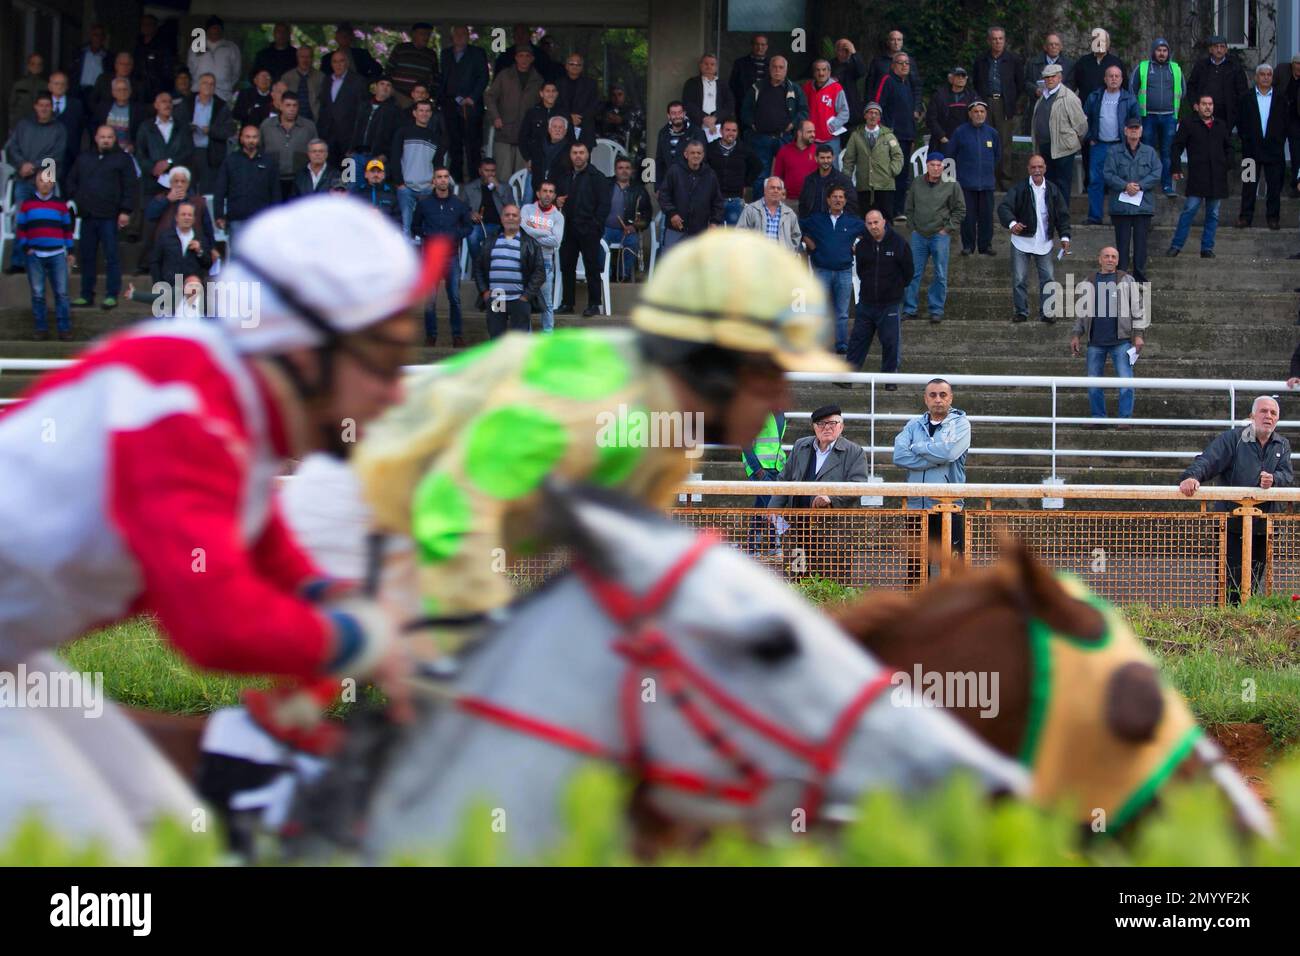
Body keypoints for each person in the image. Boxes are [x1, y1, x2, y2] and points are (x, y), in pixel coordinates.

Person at [0, 196, 428, 855]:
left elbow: (256, 537)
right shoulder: (185, 408)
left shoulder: (230, 384)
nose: (397, 390)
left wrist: (331, 599)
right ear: (304, 353)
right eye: (385, 354)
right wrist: (351, 641)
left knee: (170, 836)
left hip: (13, 645)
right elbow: (213, 625)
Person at [352, 228, 844, 647]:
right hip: (360, 517)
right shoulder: (594, 404)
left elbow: (628, 574)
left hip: (421, 544)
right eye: (770, 376)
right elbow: (449, 516)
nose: (782, 401)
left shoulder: (672, 436)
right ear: (715, 368)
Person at [1179, 396, 1292, 603]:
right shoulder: (1233, 439)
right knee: (1229, 582)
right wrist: (1191, 476)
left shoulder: (1282, 444)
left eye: (1273, 413)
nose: (1268, 416)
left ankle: (1245, 622)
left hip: (1263, 525)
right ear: (1252, 416)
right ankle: (1224, 622)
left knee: (1254, 581)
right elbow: (1208, 460)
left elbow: (1287, 475)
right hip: (1231, 524)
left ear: (1277, 419)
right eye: (1264, 411)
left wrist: (1274, 479)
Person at [893, 379, 970, 569]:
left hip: (948, 505)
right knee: (916, 569)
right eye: (933, 395)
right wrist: (936, 457)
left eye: (943, 395)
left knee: (953, 568)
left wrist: (917, 447)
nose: (938, 399)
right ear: (925, 399)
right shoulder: (913, 425)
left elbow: (949, 453)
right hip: (916, 506)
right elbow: (899, 456)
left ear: (950, 398)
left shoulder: (961, 424)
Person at [1069, 246, 1146, 425]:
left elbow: (1138, 310)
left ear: (1117, 261)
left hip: (1121, 341)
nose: (1110, 259)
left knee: (1126, 382)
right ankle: (1098, 418)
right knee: (1093, 383)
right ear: (1100, 259)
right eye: (1106, 256)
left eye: (1113, 257)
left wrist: (1139, 334)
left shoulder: (1127, 280)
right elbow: (1081, 313)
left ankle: (1124, 419)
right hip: (1095, 341)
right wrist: (1076, 334)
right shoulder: (1088, 282)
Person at [66, 124, 136, 310]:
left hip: (110, 217)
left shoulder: (123, 159)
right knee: (87, 257)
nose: (106, 140)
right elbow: (71, 180)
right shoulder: (84, 158)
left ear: (115, 139)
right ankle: (86, 295)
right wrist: (77, 199)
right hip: (88, 216)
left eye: (110, 137)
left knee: (111, 257)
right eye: (102, 136)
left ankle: (112, 295)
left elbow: (131, 187)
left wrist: (125, 211)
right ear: (96, 138)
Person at [999, 154, 1072, 324]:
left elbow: (1063, 215)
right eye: (1033, 167)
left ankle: (1047, 312)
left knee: (1048, 279)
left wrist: (1065, 236)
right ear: (1028, 169)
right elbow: (1004, 207)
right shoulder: (1019, 188)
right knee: (1019, 279)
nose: (1037, 170)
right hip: (1021, 242)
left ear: (1045, 168)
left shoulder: (1053, 190)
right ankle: (1021, 312)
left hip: (1044, 242)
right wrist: (1012, 224)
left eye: (1040, 167)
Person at [4, 92, 68, 274]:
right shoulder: (23, 125)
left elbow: (58, 154)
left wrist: (34, 165)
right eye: (41, 105)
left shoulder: (59, 129)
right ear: (35, 106)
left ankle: (47, 262)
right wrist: (21, 164)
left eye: (47, 105)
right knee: (21, 220)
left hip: (47, 181)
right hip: (23, 180)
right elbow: (12, 148)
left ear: (52, 107)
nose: (44, 108)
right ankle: (18, 261)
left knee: (48, 221)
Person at [847, 208, 912, 384]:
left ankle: (890, 380)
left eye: (876, 222)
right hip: (866, 303)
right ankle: (848, 377)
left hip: (890, 304)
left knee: (891, 343)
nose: (873, 226)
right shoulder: (861, 246)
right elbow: (861, 271)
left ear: (884, 222)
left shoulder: (899, 243)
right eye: (869, 223)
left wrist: (893, 289)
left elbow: (908, 272)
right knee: (857, 341)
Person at [411, 168, 473, 347]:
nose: (443, 180)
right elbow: (415, 226)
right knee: (429, 300)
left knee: (454, 297)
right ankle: (431, 336)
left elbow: (468, 228)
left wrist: (454, 234)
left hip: (451, 256)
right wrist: (427, 233)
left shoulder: (459, 204)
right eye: (439, 177)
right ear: (433, 181)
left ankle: (457, 335)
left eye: (446, 177)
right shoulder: (424, 204)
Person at [800, 187, 865, 354]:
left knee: (842, 313)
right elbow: (797, 227)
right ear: (828, 200)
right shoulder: (816, 219)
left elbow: (870, 233)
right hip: (822, 271)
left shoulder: (853, 221)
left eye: (841, 197)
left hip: (844, 272)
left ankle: (841, 344)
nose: (838, 200)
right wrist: (809, 242)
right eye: (834, 197)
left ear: (845, 200)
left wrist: (857, 244)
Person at [769, 404, 868, 512]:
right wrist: (772, 510)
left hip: (832, 525)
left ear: (841, 427)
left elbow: (858, 486)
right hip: (797, 522)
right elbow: (784, 480)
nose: (826, 427)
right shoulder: (800, 446)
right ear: (814, 427)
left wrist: (831, 499)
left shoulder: (855, 452)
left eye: (832, 423)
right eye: (820, 423)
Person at [902, 153, 965, 324]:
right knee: (912, 273)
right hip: (919, 235)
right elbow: (909, 207)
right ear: (926, 166)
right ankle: (909, 309)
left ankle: (936, 309)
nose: (936, 168)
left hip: (939, 235)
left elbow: (960, 210)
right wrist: (913, 228)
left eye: (939, 165)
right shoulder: (917, 182)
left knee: (940, 274)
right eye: (932, 165)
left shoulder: (952, 184)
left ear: (943, 166)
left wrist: (947, 229)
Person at [1168, 95, 1233, 258]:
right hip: (1198, 176)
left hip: (1217, 178)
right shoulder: (1189, 123)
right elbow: (1176, 146)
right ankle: (1176, 245)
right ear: (1197, 106)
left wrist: (1226, 164)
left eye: (1210, 104)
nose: (1207, 107)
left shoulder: (1220, 125)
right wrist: (1175, 167)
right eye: (1204, 104)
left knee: (1213, 214)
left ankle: (1207, 248)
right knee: (1189, 211)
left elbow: (1229, 147)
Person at [15, 169, 74, 340]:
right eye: (42, 180)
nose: (45, 183)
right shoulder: (27, 204)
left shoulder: (60, 205)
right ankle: (41, 329)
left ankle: (64, 329)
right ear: (36, 182)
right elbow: (21, 229)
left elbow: (67, 230)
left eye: (49, 180)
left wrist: (70, 251)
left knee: (62, 293)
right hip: (35, 255)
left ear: (53, 183)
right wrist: (26, 248)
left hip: (56, 254)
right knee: (38, 294)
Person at [473, 203, 546, 338]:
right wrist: (484, 291)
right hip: (497, 299)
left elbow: (540, 272)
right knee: (497, 338)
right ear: (501, 219)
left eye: (514, 215)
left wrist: (526, 296)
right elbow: (478, 268)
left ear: (520, 219)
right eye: (507, 215)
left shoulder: (530, 243)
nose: (511, 218)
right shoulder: (490, 241)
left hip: (519, 299)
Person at [739, 56, 808, 198]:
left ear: (786, 70)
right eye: (774, 67)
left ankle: (784, 208)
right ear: (769, 69)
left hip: (785, 139)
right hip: (761, 139)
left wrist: (793, 124)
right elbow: (744, 110)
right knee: (760, 176)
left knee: (788, 173)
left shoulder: (794, 89)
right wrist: (752, 123)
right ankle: (760, 209)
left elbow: (804, 111)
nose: (777, 70)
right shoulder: (757, 88)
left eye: (781, 67)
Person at [555, 141, 610, 316]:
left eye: (581, 152)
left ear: (587, 154)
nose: (578, 156)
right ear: (570, 156)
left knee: (591, 268)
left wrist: (596, 225)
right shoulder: (565, 176)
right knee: (567, 266)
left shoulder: (597, 177)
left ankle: (594, 304)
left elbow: (604, 205)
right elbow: (558, 199)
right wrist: (558, 202)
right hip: (568, 229)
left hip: (589, 229)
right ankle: (567, 304)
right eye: (575, 152)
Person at [1104, 118, 1161, 281]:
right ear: (1125, 131)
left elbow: (1157, 173)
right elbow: (1108, 174)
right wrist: (1124, 186)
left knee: (1141, 244)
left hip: (1142, 206)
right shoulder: (1113, 151)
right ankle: (1121, 276)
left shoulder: (1150, 152)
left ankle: (1140, 277)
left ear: (1141, 131)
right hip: (1121, 207)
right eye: (1131, 128)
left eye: (1136, 128)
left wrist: (1140, 185)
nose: (1134, 131)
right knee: (1121, 244)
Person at [1070, 27, 1127, 189]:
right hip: (1088, 114)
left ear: (1108, 44)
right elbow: (1073, 86)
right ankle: (1089, 186)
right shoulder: (1083, 62)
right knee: (1089, 150)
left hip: (1112, 115)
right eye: (1096, 40)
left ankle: (1112, 187)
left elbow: (1126, 89)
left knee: (1113, 156)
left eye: (1103, 40)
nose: (1099, 43)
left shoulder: (1116, 63)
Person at [1083, 65, 1140, 223]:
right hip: (1098, 146)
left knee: (1120, 181)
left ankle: (1119, 216)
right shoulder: (1094, 97)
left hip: (1120, 146)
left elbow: (1136, 122)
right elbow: (1083, 119)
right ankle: (1095, 217)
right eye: (1111, 76)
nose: (1114, 79)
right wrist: (1090, 137)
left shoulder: (1129, 99)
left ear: (1122, 80)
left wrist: (1130, 142)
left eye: (1117, 76)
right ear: (1105, 79)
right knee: (1095, 181)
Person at [971, 26, 1024, 190]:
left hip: (1004, 104)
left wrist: (1015, 105)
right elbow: (975, 82)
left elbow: (1020, 84)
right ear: (989, 41)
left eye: (1000, 38)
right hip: (985, 103)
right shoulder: (981, 60)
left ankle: (1006, 181)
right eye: (994, 39)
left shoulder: (1013, 60)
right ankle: (989, 179)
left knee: (1004, 144)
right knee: (985, 141)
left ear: (1005, 40)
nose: (998, 42)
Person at [212, 125, 281, 252]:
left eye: (254, 137)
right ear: (241, 138)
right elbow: (220, 190)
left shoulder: (268, 162)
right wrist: (219, 215)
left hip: (262, 220)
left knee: (261, 258)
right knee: (238, 260)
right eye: (248, 137)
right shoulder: (231, 161)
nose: (251, 140)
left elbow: (275, 192)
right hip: (236, 219)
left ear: (259, 139)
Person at [1131, 38, 1184, 197]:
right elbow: (1132, 90)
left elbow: (1183, 90)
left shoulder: (1175, 68)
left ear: (1168, 52)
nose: (1162, 53)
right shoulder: (1143, 67)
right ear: (1153, 51)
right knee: (1147, 152)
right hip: (1148, 117)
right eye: (1159, 50)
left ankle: (1167, 186)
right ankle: (1146, 186)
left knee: (1167, 153)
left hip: (1169, 117)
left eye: (1165, 50)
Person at [1236, 64, 1287, 230]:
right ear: (1256, 77)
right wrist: (1246, 139)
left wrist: (1279, 140)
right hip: (1251, 150)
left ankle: (1273, 218)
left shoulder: (1281, 98)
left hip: (1274, 151)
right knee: (1248, 184)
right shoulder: (1246, 98)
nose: (1266, 77)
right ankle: (1245, 217)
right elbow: (1241, 121)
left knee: (1274, 186)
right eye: (1262, 74)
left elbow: (1285, 123)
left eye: (1269, 75)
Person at [948, 100, 1000, 256]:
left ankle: (985, 246)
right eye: (976, 112)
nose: (979, 114)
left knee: (986, 217)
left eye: (982, 111)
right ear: (970, 114)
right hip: (966, 183)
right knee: (968, 218)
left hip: (987, 183)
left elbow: (997, 156)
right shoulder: (960, 132)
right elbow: (951, 154)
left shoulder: (992, 133)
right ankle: (968, 246)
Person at [485, 47, 544, 181]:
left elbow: (541, 105)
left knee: (521, 178)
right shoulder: (504, 75)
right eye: (521, 55)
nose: (524, 59)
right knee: (502, 175)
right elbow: (490, 96)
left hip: (526, 136)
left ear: (532, 59)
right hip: (504, 132)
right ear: (516, 58)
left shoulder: (538, 79)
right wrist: (496, 117)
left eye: (527, 55)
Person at [440, 26, 490, 184]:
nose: (460, 37)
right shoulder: (445, 53)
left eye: (464, 34)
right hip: (450, 105)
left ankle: (475, 181)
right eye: (457, 34)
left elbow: (483, 77)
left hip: (471, 106)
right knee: (454, 144)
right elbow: (443, 79)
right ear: (452, 37)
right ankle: (456, 181)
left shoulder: (477, 53)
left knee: (472, 145)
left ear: (468, 36)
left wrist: (472, 97)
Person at [1030, 64, 1088, 202]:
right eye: (1047, 77)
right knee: (1048, 184)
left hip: (1064, 149)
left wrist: (1072, 141)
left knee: (1062, 184)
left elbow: (1081, 125)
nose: (1050, 79)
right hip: (1045, 147)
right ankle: (1051, 216)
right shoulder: (1042, 97)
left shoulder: (1069, 97)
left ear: (1060, 77)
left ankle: (1062, 219)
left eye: (1053, 76)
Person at [390, 100, 444, 237]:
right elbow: (395, 157)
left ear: (431, 114)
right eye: (421, 110)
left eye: (427, 111)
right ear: (414, 113)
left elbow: (438, 163)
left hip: (427, 188)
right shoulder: (403, 132)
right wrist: (400, 183)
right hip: (406, 187)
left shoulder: (436, 137)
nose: (424, 114)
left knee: (426, 228)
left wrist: (434, 184)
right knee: (405, 228)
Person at [840, 102, 904, 218]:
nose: (873, 116)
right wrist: (846, 180)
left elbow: (898, 156)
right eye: (870, 113)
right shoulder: (856, 136)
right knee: (865, 219)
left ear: (879, 117)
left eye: (876, 113)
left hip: (885, 185)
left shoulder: (888, 135)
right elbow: (849, 159)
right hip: (864, 185)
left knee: (886, 218)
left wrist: (892, 171)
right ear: (865, 115)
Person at [873, 52, 918, 215]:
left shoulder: (907, 83)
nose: (905, 66)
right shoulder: (887, 80)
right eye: (901, 63)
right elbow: (876, 106)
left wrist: (912, 134)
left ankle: (899, 211)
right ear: (893, 65)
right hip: (891, 137)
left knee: (903, 176)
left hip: (906, 136)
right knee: (889, 175)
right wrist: (883, 133)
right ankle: (886, 212)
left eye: (907, 63)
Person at [520, 179, 565, 332]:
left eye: (551, 192)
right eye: (544, 191)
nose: (547, 194)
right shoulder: (527, 209)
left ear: (554, 196)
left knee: (547, 302)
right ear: (538, 193)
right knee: (524, 300)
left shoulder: (558, 216)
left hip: (545, 262)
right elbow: (523, 230)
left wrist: (534, 231)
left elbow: (555, 241)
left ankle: (548, 336)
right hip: (525, 260)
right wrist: (546, 232)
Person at [179, 72, 233, 193]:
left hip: (210, 154)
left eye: (211, 84)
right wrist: (188, 128)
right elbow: (177, 125)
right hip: (189, 152)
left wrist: (211, 131)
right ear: (199, 85)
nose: (208, 86)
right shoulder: (187, 102)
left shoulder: (222, 106)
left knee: (208, 191)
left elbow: (228, 131)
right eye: (205, 83)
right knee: (187, 190)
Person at [260, 90, 317, 196]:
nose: (291, 109)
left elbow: (316, 152)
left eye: (295, 105)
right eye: (288, 105)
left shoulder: (309, 126)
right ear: (280, 106)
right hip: (273, 179)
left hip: (300, 179)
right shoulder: (267, 125)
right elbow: (260, 150)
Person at [317, 50, 368, 168]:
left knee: (347, 174)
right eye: (335, 62)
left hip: (348, 138)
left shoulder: (358, 81)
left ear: (347, 63)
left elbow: (362, 112)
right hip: (328, 136)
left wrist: (356, 141)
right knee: (330, 172)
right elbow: (323, 107)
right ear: (331, 64)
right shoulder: (327, 80)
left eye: (341, 61)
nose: (338, 64)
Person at [151, 200, 218, 286]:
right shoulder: (165, 237)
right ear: (176, 218)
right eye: (183, 214)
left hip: (193, 289)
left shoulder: (201, 238)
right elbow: (155, 262)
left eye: (190, 215)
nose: (187, 217)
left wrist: (200, 251)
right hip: (170, 287)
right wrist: (158, 283)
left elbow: (208, 264)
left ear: (194, 219)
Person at [1187, 35, 1248, 129]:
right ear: (1210, 49)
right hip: (1204, 112)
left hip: (1226, 114)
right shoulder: (1201, 66)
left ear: (1226, 49)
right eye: (1216, 47)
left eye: (1222, 47)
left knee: (1223, 141)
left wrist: (1236, 111)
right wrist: (1194, 103)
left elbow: (1242, 90)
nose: (1219, 50)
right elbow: (1191, 86)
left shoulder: (1234, 67)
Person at [604, 157, 650, 282]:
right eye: (620, 168)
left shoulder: (639, 190)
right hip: (605, 228)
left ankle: (623, 275)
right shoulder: (605, 185)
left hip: (627, 231)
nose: (624, 171)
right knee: (599, 243)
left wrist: (634, 226)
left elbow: (647, 215)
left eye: (627, 168)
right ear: (615, 170)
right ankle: (605, 275)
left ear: (632, 171)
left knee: (632, 242)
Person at [348, 75, 403, 175]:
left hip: (377, 157)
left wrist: (386, 155)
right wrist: (350, 149)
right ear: (376, 87)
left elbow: (397, 137)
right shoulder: (363, 106)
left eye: (388, 85)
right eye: (382, 84)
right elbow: (352, 128)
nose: (385, 87)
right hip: (356, 155)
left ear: (392, 90)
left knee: (374, 187)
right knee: (352, 186)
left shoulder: (395, 111)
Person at [708, 119, 759, 224]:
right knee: (714, 237)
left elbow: (758, 166)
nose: (731, 133)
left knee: (735, 237)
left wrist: (746, 183)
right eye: (727, 130)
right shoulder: (710, 148)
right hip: (715, 200)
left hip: (736, 200)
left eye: (734, 130)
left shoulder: (744, 149)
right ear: (721, 131)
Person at [654, 100, 708, 195]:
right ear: (668, 116)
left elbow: (703, 160)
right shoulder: (663, 133)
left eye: (679, 113)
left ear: (684, 113)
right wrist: (658, 187)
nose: (677, 116)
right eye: (673, 113)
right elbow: (659, 161)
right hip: (669, 185)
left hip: (692, 186)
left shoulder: (696, 133)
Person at [1024, 33, 1074, 133]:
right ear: (1045, 47)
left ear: (1061, 47)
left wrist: (1057, 92)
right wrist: (1035, 90)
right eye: (1051, 44)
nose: (1054, 46)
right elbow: (1026, 82)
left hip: (1060, 107)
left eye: (1056, 44)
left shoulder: (1070, 64)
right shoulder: (1033, 63)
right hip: (1039, 105)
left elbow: (1071, 84)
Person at [803, 58, 850, 163]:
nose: (821, 73)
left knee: (832, 169)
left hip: (830, 139)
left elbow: (844, 112)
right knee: (810, 168)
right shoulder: (806, 88)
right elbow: (803, 110)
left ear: (829, 72)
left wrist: (832, 126)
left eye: (824, 70)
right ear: (813, 72)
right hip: (811, 139)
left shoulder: (836, 88)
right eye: (818, 70)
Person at [463, 157, 510, 262]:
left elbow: (511, 206)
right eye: (486, 171)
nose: (490, 174)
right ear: (480, 171)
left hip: (499, 226)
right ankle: (480, 266)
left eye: (492, 171)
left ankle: (484, 268)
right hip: (478, 225)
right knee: (472, 236)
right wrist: (470, 214)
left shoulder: (504, 187)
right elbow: (462, 209)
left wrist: (498, 187)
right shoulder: (470, 188)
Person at [737, 177, 801, 251]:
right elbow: (740, 233)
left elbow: (796, 236)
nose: (776, 191)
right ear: (765, 190)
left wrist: (789, 253)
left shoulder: (789, 214)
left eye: (779, 188)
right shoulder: (751, 210)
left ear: (782, 192)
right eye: (772, 188)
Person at [188, 16, 242, 104]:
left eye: (217, 28)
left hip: (223, 94)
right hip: (199, 92)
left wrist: (226, 85)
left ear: (222, 30)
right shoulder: (196, 45)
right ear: (207, 30)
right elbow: (190, 68)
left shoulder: (231, 47)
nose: (215, 31)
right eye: (212, 28)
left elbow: (236, 72)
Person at [865, 29, 923, 107]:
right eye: (893, 40)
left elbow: (916, 86)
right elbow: (870, 86)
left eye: (899, 40)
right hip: (882, 105)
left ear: (902, 42)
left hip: (905, 105)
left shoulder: (909, 61)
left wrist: (916, 107)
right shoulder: (878, 62)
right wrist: (870, 106)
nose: (896, 43)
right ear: (888, 42)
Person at [799, 143, 859, 217]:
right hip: (812, 223)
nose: (826, 161)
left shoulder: (843, 180)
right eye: (822, 158)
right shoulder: (809, 180)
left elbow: (852, 205)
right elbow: (803, 204)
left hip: (835, 222)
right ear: (816, 158)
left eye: (828, 157)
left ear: (833, 158)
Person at [387, 22, 438, 109]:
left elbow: (434, 77)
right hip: (399, 95)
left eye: (428, 34)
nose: (426, 37)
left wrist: (431, 96)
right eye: (422, 34)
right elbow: (388, 70)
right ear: (414, 34)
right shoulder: (401, 49)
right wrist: (390, 91)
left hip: (420, 98)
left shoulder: (431, 54)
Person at [48, 72, 88, 176]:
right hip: (47, 154)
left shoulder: (76, 105)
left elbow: (81, 128)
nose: (59, 86)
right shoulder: (43, 104)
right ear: (50, 86)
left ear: (67, 86)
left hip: (70, 154)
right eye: (56, 83)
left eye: (62, 84)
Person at [926, 67, 976, 150]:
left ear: (966, 79)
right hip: (942, 141)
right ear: (950, 79)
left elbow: (978, 116)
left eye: (963, 76)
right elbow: (931, 119)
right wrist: (942, 137)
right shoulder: (939, 95)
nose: (961, 78)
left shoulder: (973, 96)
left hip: (965, 140)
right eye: (957, 76)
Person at [684, 53, 736, 131]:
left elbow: (730, 104)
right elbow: (687, 103)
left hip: (718, 126)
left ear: (716, 67)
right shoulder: (692, 83)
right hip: (697, 124)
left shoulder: (723, 84)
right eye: (706, 64)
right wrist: (704, 117)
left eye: (712, 64)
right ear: (700, 65)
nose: (709, 67)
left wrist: (716, 117)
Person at [771, 120, 818, 204]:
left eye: (814, 132)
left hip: (812, 201)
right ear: (799, 133)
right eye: (809, 132)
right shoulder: (784, 151)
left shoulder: (817, 151)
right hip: (789, 201)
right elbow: (777, 176)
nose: (813, 135)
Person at [70, 23, 111, 111]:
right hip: (79, 91)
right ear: (90, 36)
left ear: (104, 38)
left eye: (101, 35)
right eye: (95, 35)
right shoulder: (79, 53)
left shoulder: (107, 57)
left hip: (97, 94)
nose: (98, 38)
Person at [556, 54, 600, 135]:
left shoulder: (591, 84)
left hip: (585, 126)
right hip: (562, 126)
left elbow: (595, 105)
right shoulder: (557, 84)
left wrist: (579, 118)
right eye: (572, 64)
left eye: (578, 64)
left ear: (582, 67)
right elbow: (555, 104)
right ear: (566, 66)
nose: (575, 66)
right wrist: (569, 117)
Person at [281, 44, 324, 125]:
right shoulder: (286, 77)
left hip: (314, 121)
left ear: (312, 58)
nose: (305, 60)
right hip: (291, 122)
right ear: (297, 58)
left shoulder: (321, 77)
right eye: (302, 57)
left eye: (308, 57)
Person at [832, 38, 868, 131]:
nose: (844, 52)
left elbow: (862, 71)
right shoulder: (831, 64)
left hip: (852, 108)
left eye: (846, 50)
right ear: (836, 51)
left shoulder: (853, 63)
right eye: (841, 49)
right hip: (836, 109)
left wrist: (853, 53)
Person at [729, 35, 770, 111]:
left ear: (766, 46)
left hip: (767, 107)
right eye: (757, 44)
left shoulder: (772, 64)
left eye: (762, 45)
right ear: (752, 46)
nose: (759, 47)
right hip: (745, 107)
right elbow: (732, 87)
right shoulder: (740, 63)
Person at [252, 22, 297, 89]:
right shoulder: (263, 55)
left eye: (284, 32)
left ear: (288, 35)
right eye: (279, 32)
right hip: (267, 94)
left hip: (290, 94)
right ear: (274, 34)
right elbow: (254, 76)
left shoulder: (296, 55)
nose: (281, 35)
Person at [356, 159, 400, 223]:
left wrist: (382, 217)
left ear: (383, 175)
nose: (376, 174)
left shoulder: (391, 193)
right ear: (366, 174)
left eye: (379, 172)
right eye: (372, 171)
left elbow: (398, 219)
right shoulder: (357, 193)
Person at [1281, 54, 1300, 197]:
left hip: (1296, 120)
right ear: (1292, 64)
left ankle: (1296, 183)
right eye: (1297, 64)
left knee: (1296, 152)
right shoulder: (1282, 71)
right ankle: (1278, 181)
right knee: (1275, 149)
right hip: (1280, 118)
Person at [9, 53, 47, 124]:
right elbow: (11, 107)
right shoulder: (19, 85)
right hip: (21, 124)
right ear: (28, 66)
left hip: (40, 124)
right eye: (33, 64)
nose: (36, 66)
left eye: (39, 64)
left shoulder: (46, 86)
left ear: (42, 67)